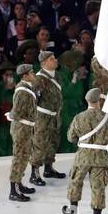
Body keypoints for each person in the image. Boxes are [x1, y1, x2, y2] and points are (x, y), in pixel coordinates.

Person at [63, 86, 108, 214]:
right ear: (99, 101)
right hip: (100, 158)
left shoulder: (79, 117)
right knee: (98, 188)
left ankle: (73, 213)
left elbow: (70, 137)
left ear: (87, 101)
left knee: (75, 183)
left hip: (82, 156)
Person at [30, 48, 65, 184]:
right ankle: (34, 173)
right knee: (40, 143)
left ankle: (48, 168)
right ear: (44, 63)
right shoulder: (39, 79)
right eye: (52, 59)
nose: (55, 60)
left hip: (54, 116)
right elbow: (34, 99)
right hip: (43, 117)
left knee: (52, 142)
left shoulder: (56, 76)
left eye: (54, 57)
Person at [8, 64, 39, 202]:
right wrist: (11, 115)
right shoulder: (22, 91)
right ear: (25, 75)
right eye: (32, 73)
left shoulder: (28, 88)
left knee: (24, 156)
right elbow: (16, 112)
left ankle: (19, 183)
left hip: (26, 128)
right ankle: (13, 190)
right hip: (21, 129)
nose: (34, 75)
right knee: (19, 157)